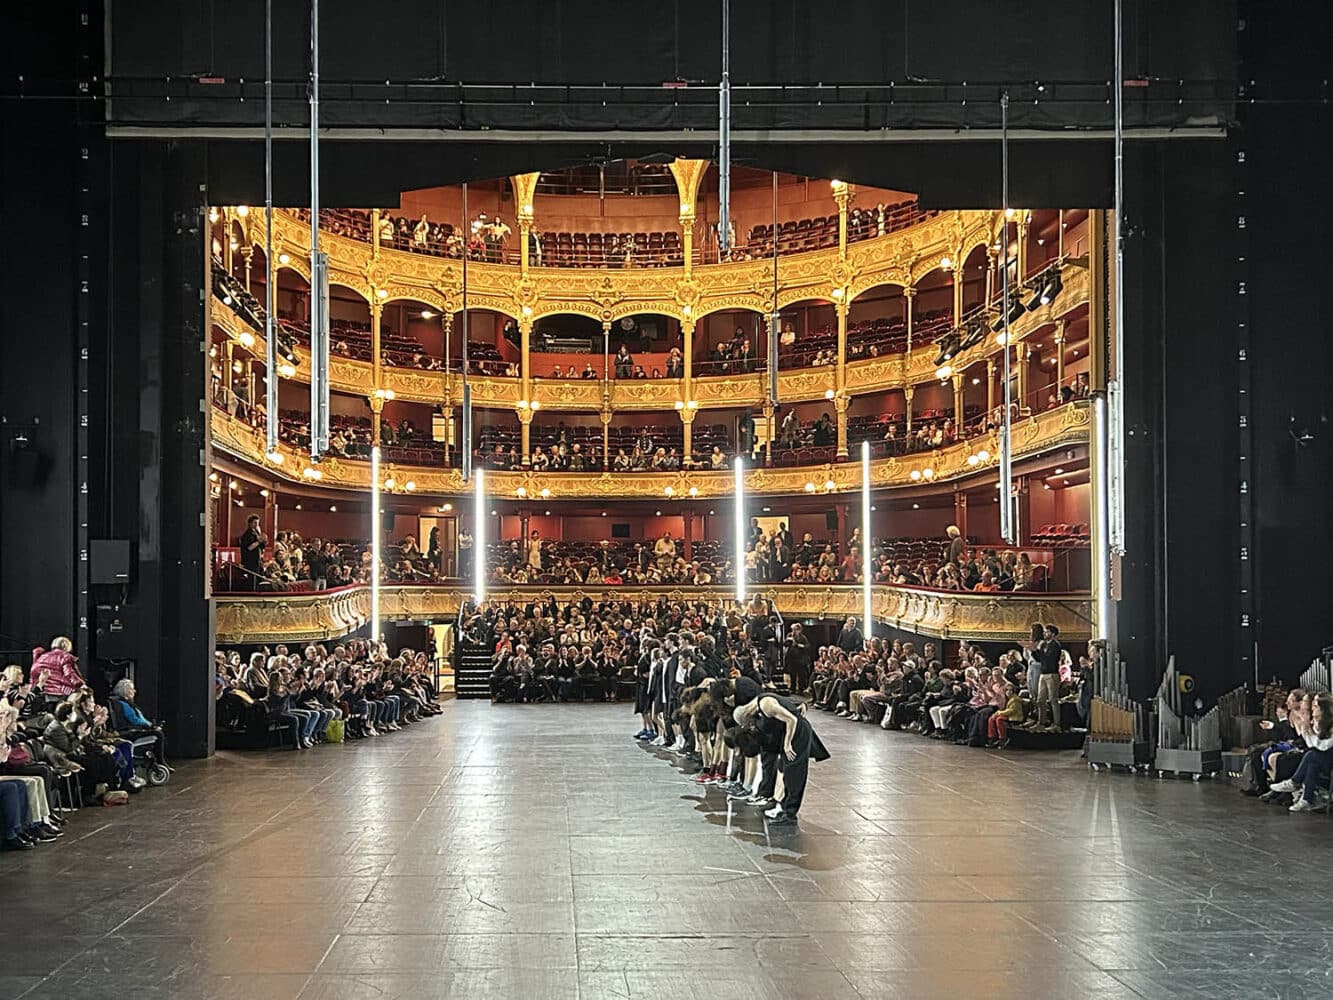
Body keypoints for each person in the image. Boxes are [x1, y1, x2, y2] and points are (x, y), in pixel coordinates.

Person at [736, 693, 829, 826]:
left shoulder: (765, 704)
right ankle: (783, 809)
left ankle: (790, 815)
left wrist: (787, 744)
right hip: (791, 733)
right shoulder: (759, 704)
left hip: (797, 734)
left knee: (794, 774)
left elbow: (792, 720)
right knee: (785, 769)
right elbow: (789, 704)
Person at [1034, 624, 1064, 730]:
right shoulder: (1044, 645)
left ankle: (1057, 724)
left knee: (1053, 699)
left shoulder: (1055, 646)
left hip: (1052, 674)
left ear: (1053, 634)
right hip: (1043, 673)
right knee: (1040, 699)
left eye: (1046, 632)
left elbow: (1049, 658)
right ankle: (1041, 722)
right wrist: (1034, 651)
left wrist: (1036, 650)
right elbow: (1039, 659)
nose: (1044, 633)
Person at [239, 514, 266, 587]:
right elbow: (249, 548)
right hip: (251, 561)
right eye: (255, 523)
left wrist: (263, 541)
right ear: (250, 523)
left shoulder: (256, 533)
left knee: (260, 579)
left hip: (258, 560)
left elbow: (261, 546)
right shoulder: (247, 534)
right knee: (253, 580)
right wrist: (259, 541)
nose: (257, 525)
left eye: (258, 523)